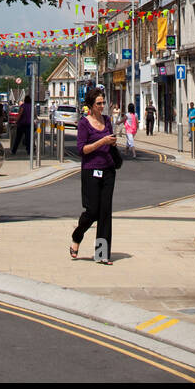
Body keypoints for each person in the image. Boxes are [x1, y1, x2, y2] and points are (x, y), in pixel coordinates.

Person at [70, 86, 118, 264]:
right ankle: (77, 235)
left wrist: (112, 142)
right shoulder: (84, 123)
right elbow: (82, 150)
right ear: (91, 105)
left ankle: (102, 254)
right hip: (90, 170)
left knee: (105, 213)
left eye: (103, 102)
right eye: (99, 103)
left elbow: (110, 143)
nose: (102, 106)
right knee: (92, 211)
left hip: (108, 171)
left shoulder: (107, 120)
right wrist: (102, 141)